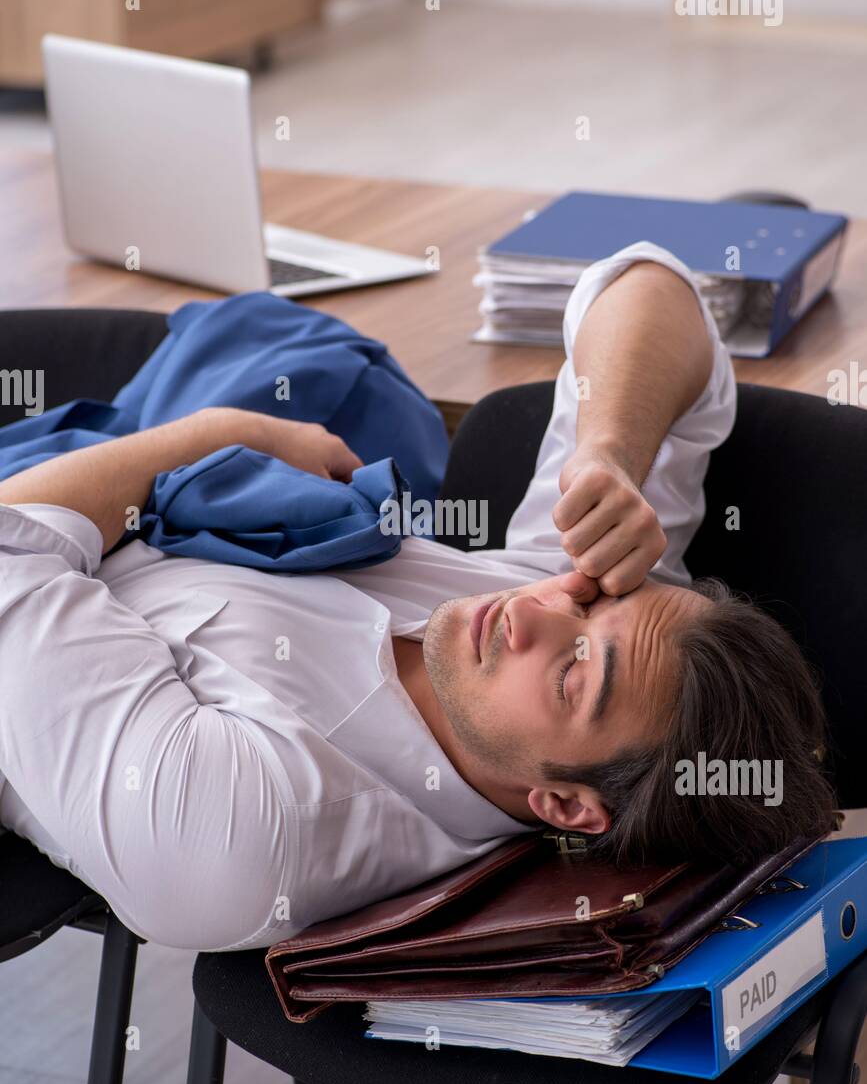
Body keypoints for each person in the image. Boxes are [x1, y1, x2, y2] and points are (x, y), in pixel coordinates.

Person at [0, 243, 835, 951]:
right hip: (95, 477)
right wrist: (607, 450)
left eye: (573, 672)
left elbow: (10, 554)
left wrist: (226, 436)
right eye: (590, 602)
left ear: (564, 805)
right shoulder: (576, 629)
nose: (535, 612)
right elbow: (648, 282)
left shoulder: (247, 831)